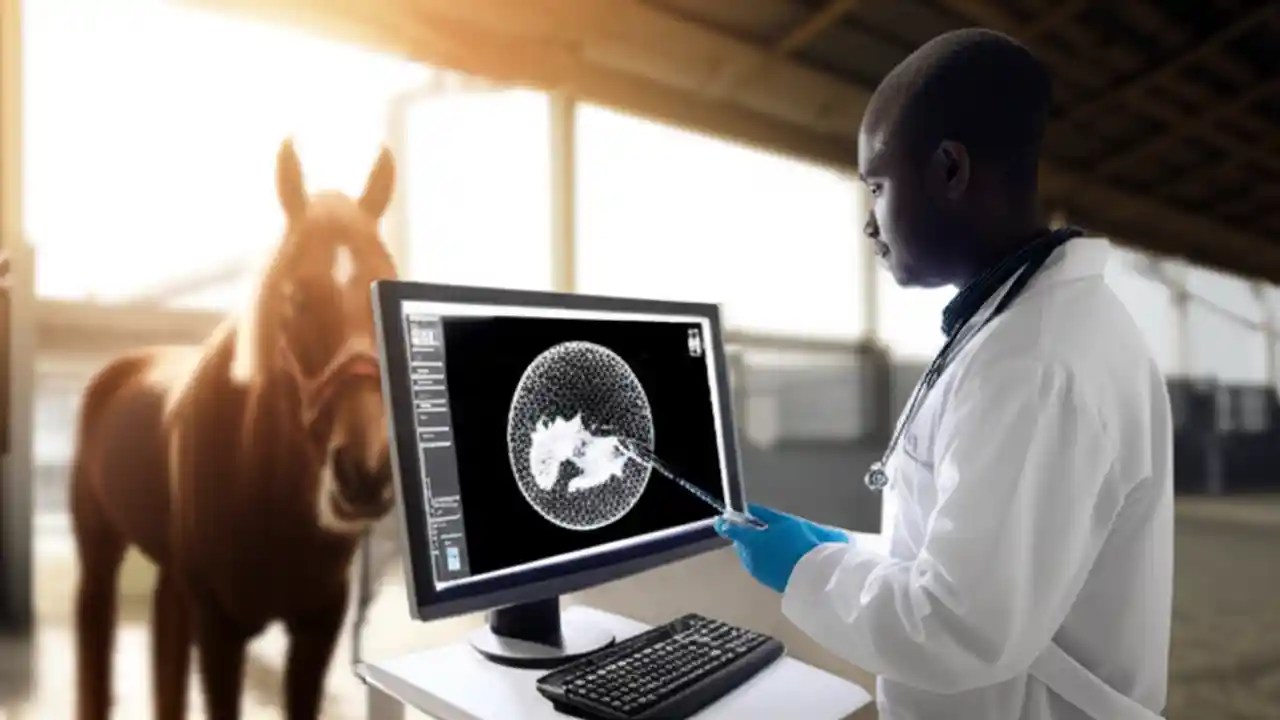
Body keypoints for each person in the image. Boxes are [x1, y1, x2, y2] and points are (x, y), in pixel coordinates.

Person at [715, 28, 1173, 720]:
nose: (870, 223)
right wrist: (847, 549)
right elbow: (967, 542)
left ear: (950, 170)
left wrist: (806, 569)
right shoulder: (1016, 323)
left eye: (877, 185)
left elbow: (958, 627)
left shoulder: (1035, 364)